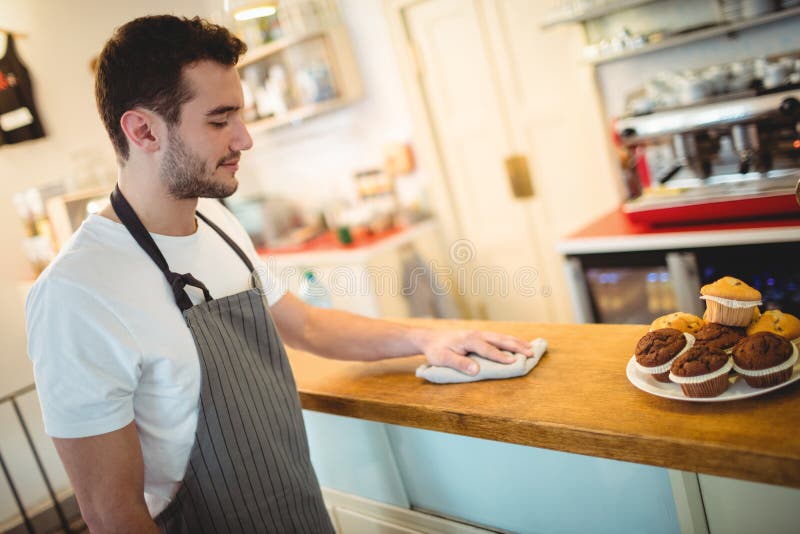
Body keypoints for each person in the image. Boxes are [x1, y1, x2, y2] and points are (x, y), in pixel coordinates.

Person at [25, 15, 533, 534]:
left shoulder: (218, 223)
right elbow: (113, 514)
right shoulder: (76, 293)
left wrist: (427, 337)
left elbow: (307, 327)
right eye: (220, 121)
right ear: (143, 130)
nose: (244, 139)